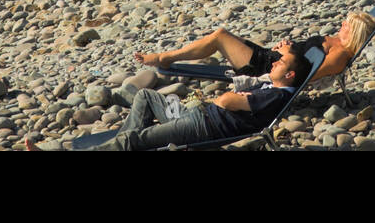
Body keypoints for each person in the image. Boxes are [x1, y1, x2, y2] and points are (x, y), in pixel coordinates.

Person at [67, 45, 312, 152]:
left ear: (289, 74)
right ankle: (123, 145)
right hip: (199, 116)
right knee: (146, 95)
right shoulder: (271, 86)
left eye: (281, 63)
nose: (275, 62)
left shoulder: (275, 95)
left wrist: (227, 99)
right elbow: (232, 100)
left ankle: (124, 145)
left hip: (203, 127)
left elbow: (227, 101)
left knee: (135, 139)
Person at [134, 9, 375, 82]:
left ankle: (164, 58)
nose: (342, 25)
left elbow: (305, 76)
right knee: (222, 36)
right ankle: (167, 58)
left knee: (220, 36)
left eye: (347, 25)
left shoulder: (340, 54)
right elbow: (305, 56)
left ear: (355, 33)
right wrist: (288, 47)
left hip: (266, 67)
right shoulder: (336, 43)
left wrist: (286, 55)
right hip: (273, 57)